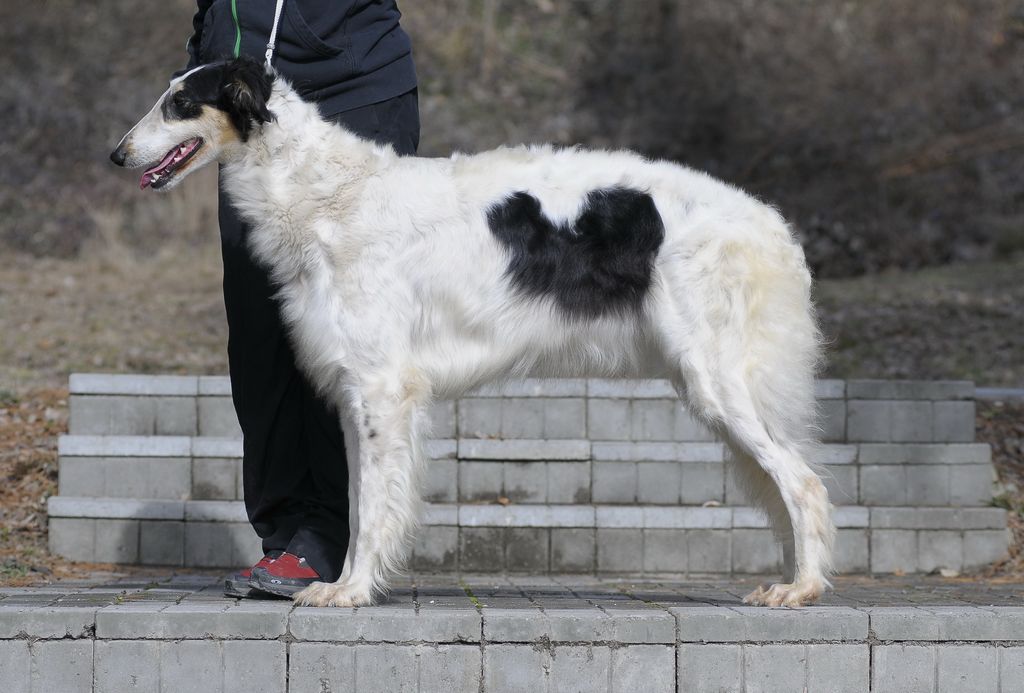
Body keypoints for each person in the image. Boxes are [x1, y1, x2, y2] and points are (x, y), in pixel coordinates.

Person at [178, 0, 419, 598]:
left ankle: (329, 536)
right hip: (244, 97)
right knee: (258, 329)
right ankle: (286, 533)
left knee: (342, 336)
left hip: (351, 88)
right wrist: (206, 55)